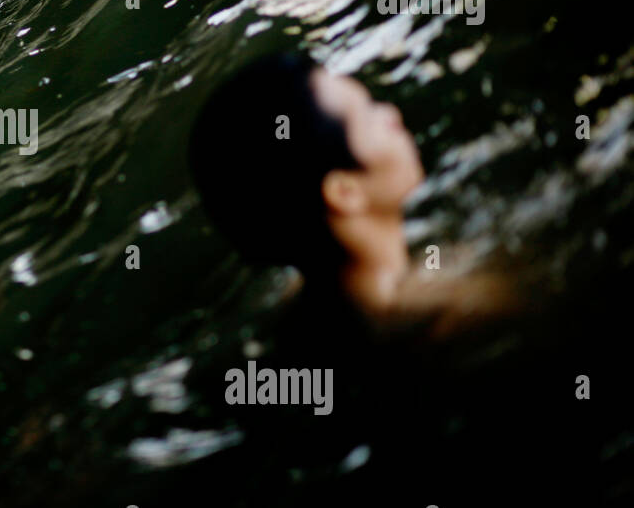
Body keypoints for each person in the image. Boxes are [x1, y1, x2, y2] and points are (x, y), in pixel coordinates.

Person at [188, 52, 513, 334]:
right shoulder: (468, 307)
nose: (392, 114)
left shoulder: (300, 306)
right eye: (370, 114)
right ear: (345, 191)